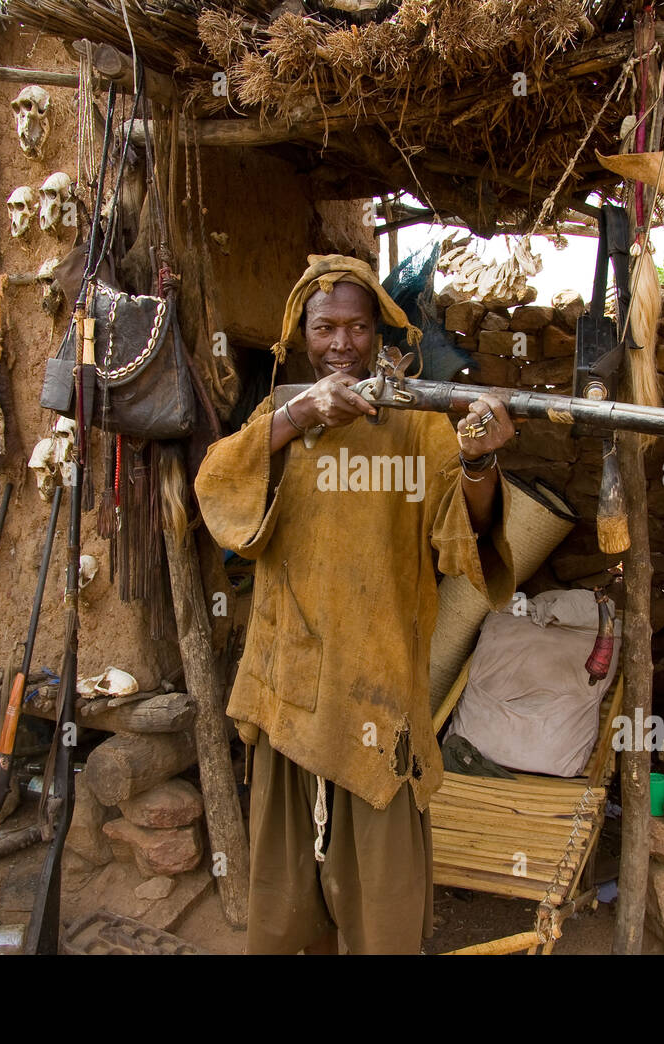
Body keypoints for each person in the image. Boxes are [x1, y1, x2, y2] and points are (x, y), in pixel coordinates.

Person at [195, 255, 516, 954]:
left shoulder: (418, 424)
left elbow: (462, 537)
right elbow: (220, 487)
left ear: (380, 335)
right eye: (325, 327)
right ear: (300, 334)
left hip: (378, 695)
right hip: (291, 689)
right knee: (284, 909)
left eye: (358, 328)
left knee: (384, 912)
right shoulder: (278, 416)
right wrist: (299, 415)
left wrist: (481, 464)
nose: (341, 344)